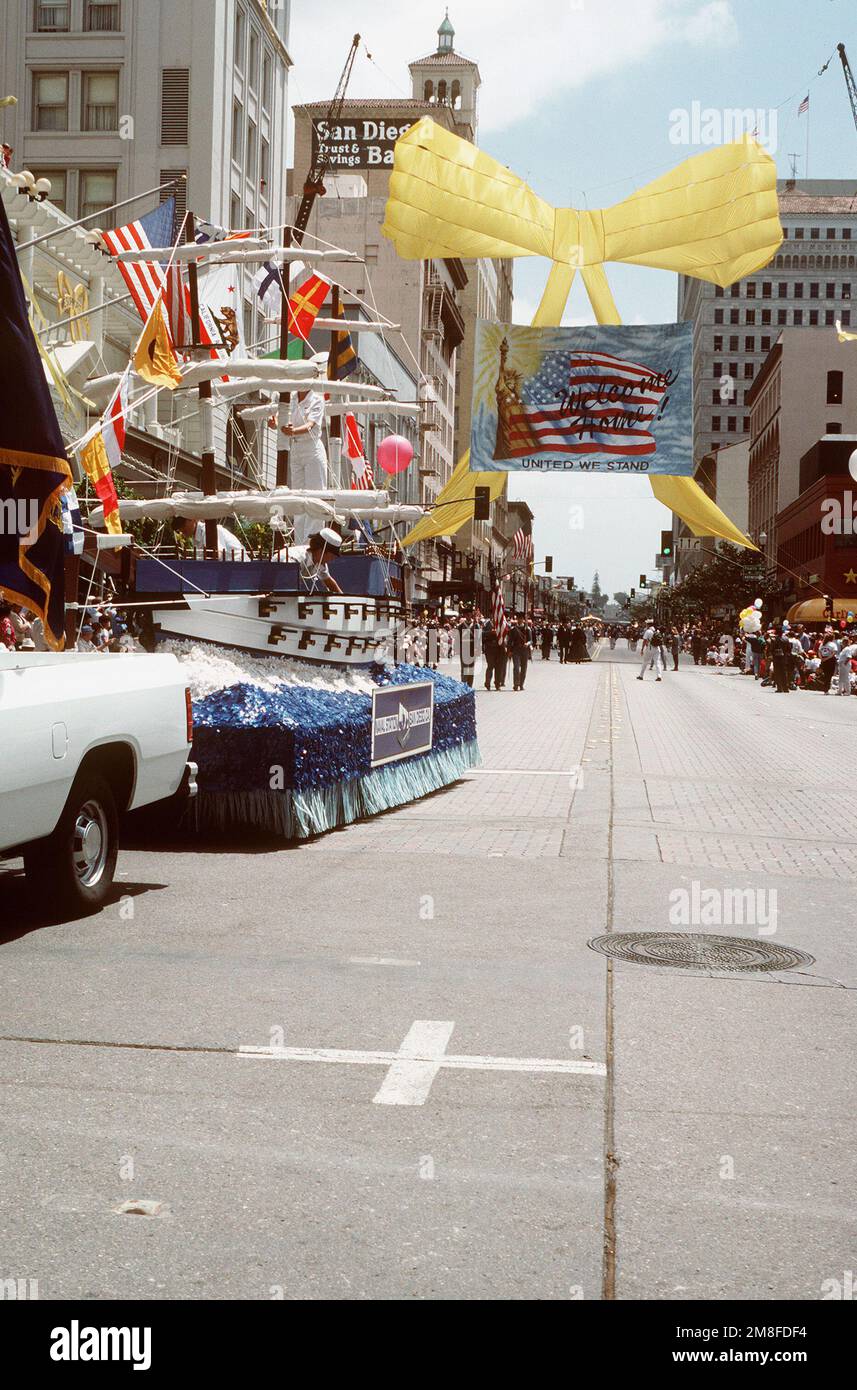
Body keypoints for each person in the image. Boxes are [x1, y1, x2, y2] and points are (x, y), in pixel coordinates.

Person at [275, 387, 328, 545]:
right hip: (296, 448)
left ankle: (312, 544)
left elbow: (311, 425)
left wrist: (293, 431)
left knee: (314, 496)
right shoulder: (289, 398)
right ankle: (299, 544)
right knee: (298, 499)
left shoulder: (316, 400)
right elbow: (280, 419)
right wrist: (275, 423)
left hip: (312, 449)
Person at [298, 528, 343, 595]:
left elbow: (330, 583)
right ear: (321, 551)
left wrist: (343, 599)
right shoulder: (297, 560)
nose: (331, 560)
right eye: (331, 557)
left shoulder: (321, 564)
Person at [508, 618, 531, 691]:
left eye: (521, 619)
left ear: (523, 620)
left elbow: (530, 640)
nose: (520, 620)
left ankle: (521, 684)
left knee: (524, 668)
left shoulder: (527, 629)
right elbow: (510, 641)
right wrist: (510, 651)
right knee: (516, 668)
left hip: (524, 651)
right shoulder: (513, 629)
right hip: (516, 650)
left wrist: (527, 643)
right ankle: (515, 684)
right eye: (519, 619)